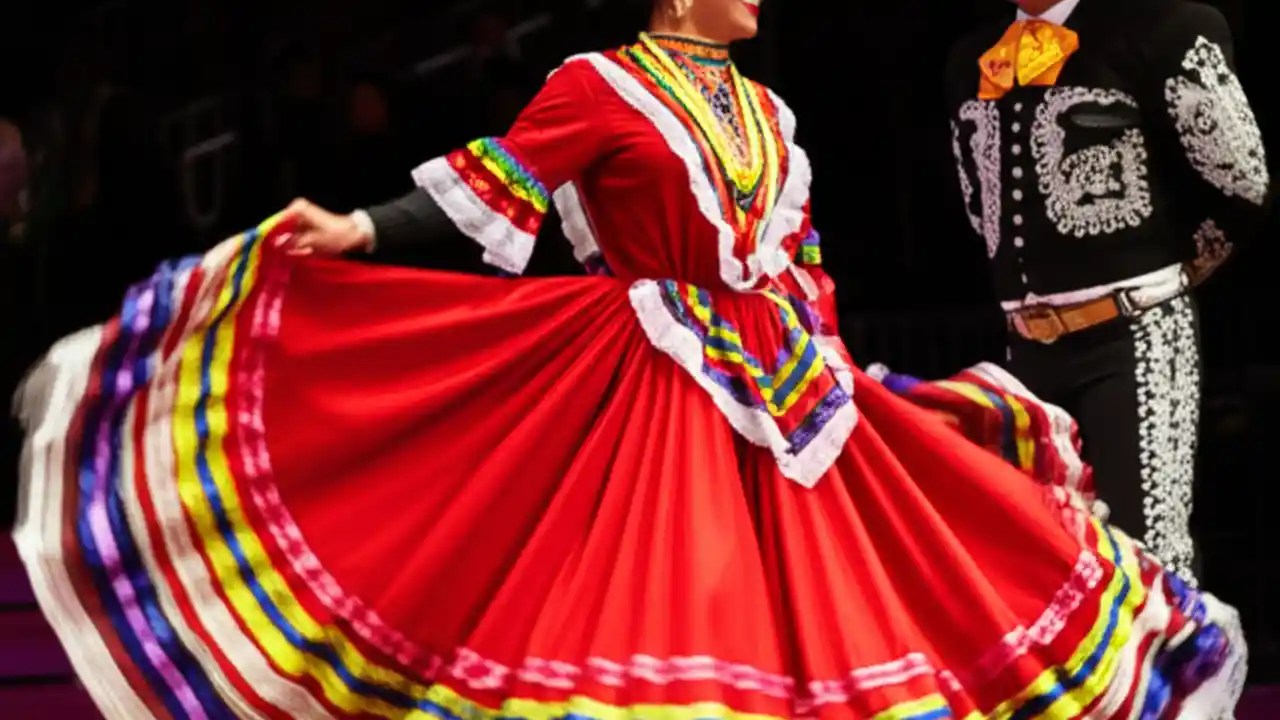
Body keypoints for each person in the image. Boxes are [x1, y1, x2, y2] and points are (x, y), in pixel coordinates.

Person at [13, 0, 1246, 717]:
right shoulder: (601, 84)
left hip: (788, 387)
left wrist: (836, 371)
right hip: (647, 372)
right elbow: (498, 183)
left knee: (817, 614)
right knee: (660, 607)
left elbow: (797, 256)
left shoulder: (767, 110)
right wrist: (358, 227)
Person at [945, 0, 1271, 584]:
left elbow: (1242, 183)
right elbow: (980, 208)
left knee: (1152, 560)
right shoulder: (970, 57)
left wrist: (1177, 274)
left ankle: (1180, 676)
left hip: (1137, 335)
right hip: (1026, 348)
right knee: (1040, 564)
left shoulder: (1164, 25)